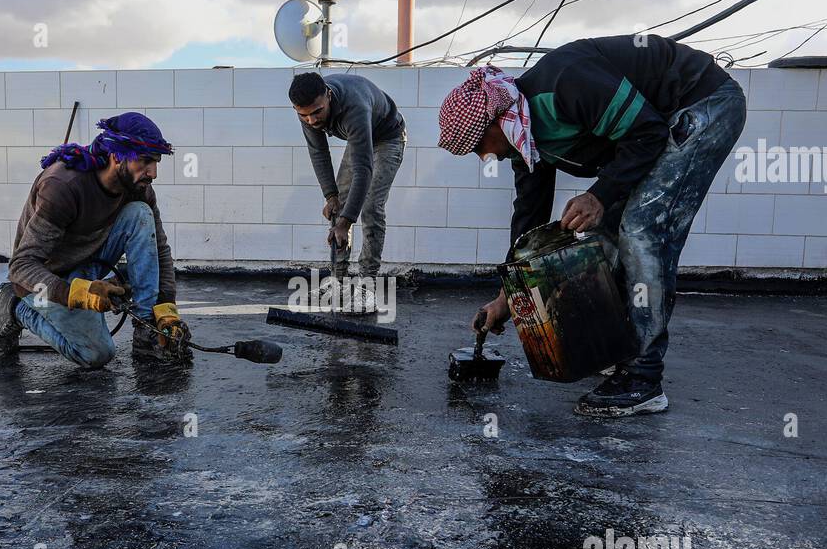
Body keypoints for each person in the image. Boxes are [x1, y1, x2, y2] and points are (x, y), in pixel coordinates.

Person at [438, 34, 747, 416]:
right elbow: (529, 222)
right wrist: (508, 298)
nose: (485, 155)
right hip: (656, 128)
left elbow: (648, 133)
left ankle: (644, 377)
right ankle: (617, 350)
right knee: (598, 237)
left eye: (480, 144)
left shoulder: (566, 83)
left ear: (498, 120)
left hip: (703, 103)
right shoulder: (526, 143)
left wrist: (598, 195)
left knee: (641, 231)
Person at [0, 112, 190, 368]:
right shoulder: (63, 186)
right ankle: (16, 308)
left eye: (156, 162)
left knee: (141, 214)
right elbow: (21, 266)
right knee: (96, 354)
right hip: (45, 278)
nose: (153, 172)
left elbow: (159, 250)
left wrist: (166, 308)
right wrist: (79, 293)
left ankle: (146, 330)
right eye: (145, 161)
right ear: (117, 156)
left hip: (91, 261)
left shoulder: (139, 189)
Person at [289, 71, 406, 310]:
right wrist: (330, 196)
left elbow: (364, 170)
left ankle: (367, 287)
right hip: (359, 140)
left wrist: (345, 223)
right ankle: (338, 282)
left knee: (371, 206)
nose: (311, 120)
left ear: (328, 96)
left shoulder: (355, 106)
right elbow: (318, 153)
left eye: (317, 112)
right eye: (304, 115)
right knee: (338, 204)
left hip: (388, 138)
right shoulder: (308, 113)